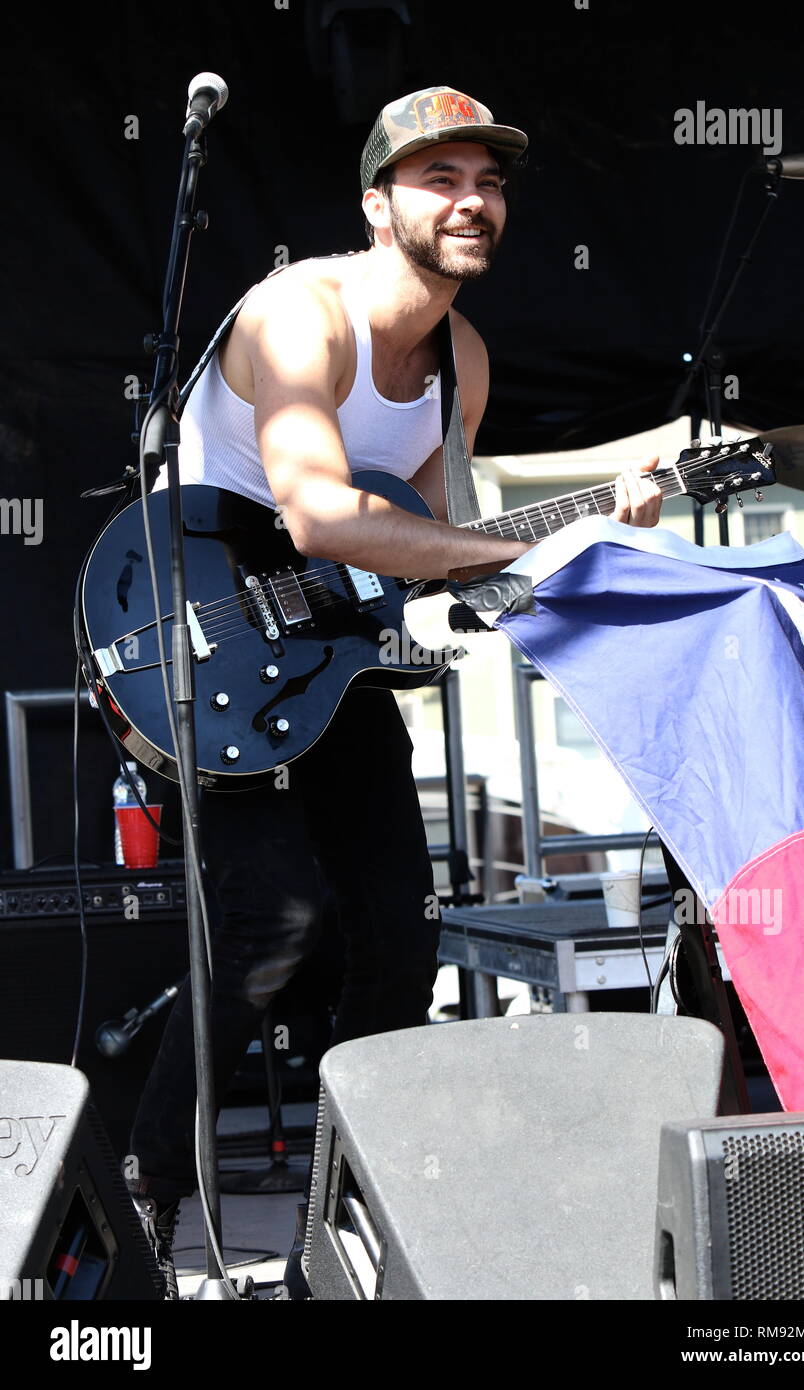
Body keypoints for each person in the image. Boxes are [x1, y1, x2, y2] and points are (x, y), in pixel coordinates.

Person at [128, 85, 664, 1299]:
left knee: (397, 925)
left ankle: (347, 1216)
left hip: (320, 649)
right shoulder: (296, 313)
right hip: (193, 634)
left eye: (486, 180)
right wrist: (495, 550)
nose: (471, 199)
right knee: (271, 915)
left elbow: (418, 553)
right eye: (439, 179)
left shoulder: (456, 362)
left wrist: (595, 518)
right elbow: (320, 511)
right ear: (378, 207)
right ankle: (136, 1201)